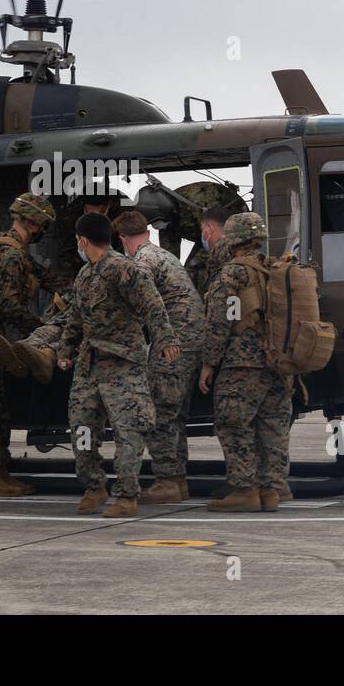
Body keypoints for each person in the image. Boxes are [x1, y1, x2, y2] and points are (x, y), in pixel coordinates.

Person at [57, 212, 179, 518]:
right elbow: (75, 318)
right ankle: (93, 486)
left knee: (128, 431)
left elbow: (153, 305)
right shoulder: (85, 275)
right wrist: (65, 350)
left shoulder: (125, 270)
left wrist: (165, 340)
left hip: (123, 365)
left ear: (83, 240)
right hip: (89, 366)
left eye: (77, 240)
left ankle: (126, 496)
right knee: (82, 428)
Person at [199, 211, 292, 513]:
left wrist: (208, 363)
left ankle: (245, 490)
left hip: (242, 365)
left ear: (234, 239)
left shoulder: (232, 273)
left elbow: (219, 322)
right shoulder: (275, 269)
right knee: (273, 428)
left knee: (233, 424)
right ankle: (272, 491)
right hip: (277, 363)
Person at [112, 210, 205, 504]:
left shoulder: (143, 263)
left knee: (160, 414)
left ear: (123, 239)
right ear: (148, 233)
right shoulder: (163, 256)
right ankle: (176, 481)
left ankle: (167, 481)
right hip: (189, 342)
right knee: (175, 415)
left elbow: (137, 307)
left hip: (172, 344)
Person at [0, 192, 57, 496]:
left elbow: (46, 277)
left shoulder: (7, 246)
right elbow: (9, 306)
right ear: (34, 223)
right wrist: (43, 327)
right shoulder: (11, 255)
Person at [186, 205, 232, 298]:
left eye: (202, 229)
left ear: (209, 228)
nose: (202, 234)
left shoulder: (214, 257)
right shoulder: (241, 250)